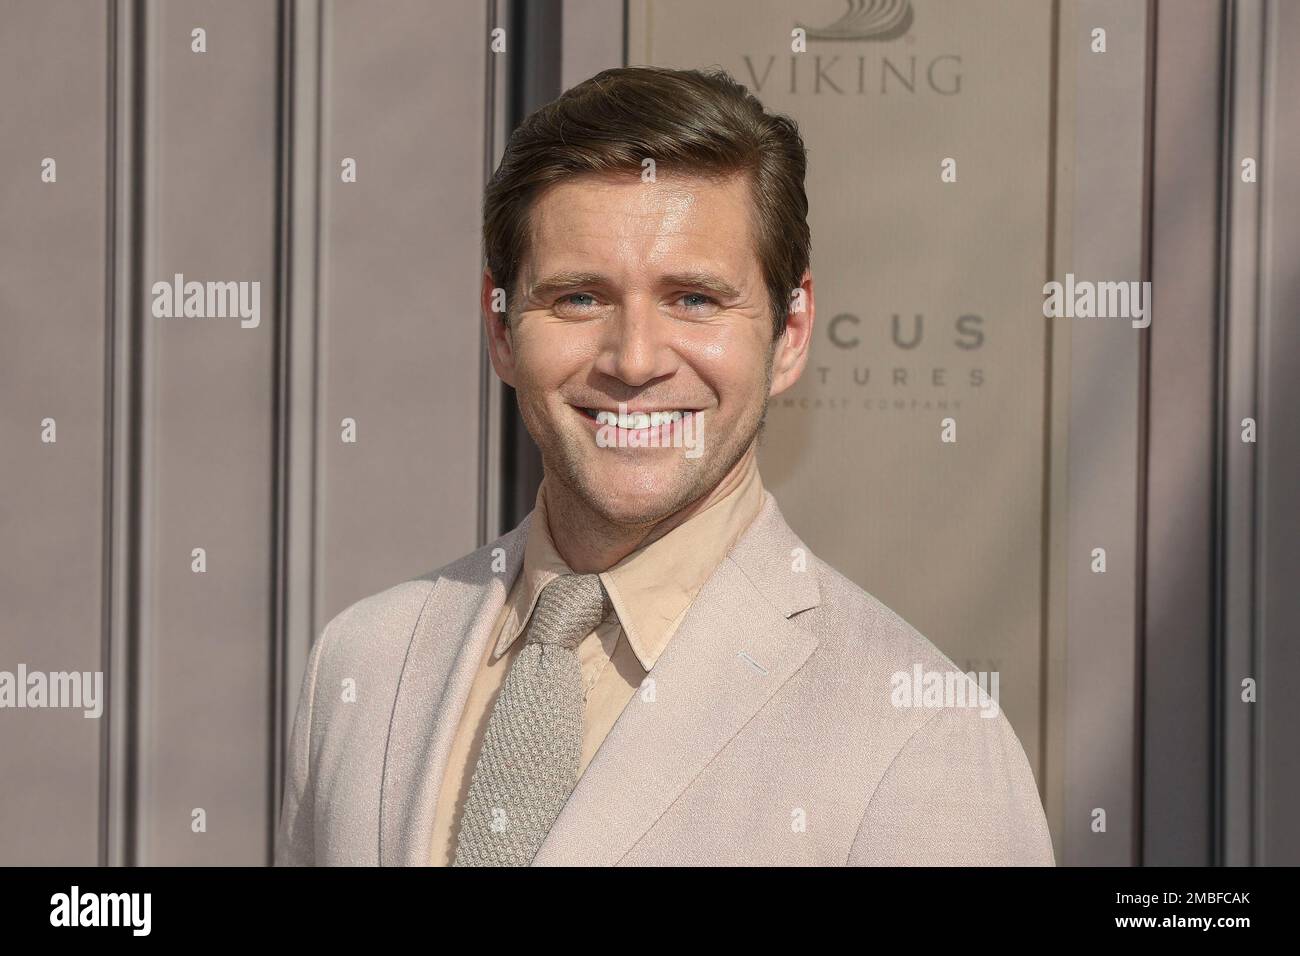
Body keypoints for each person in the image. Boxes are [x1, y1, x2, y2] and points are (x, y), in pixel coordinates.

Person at [275, 65, 1054, 866]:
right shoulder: (361, 665)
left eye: (695, 299)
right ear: (503, 329)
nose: (635, 359)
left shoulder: (922, 740)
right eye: (579, 297)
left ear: (789, 332)